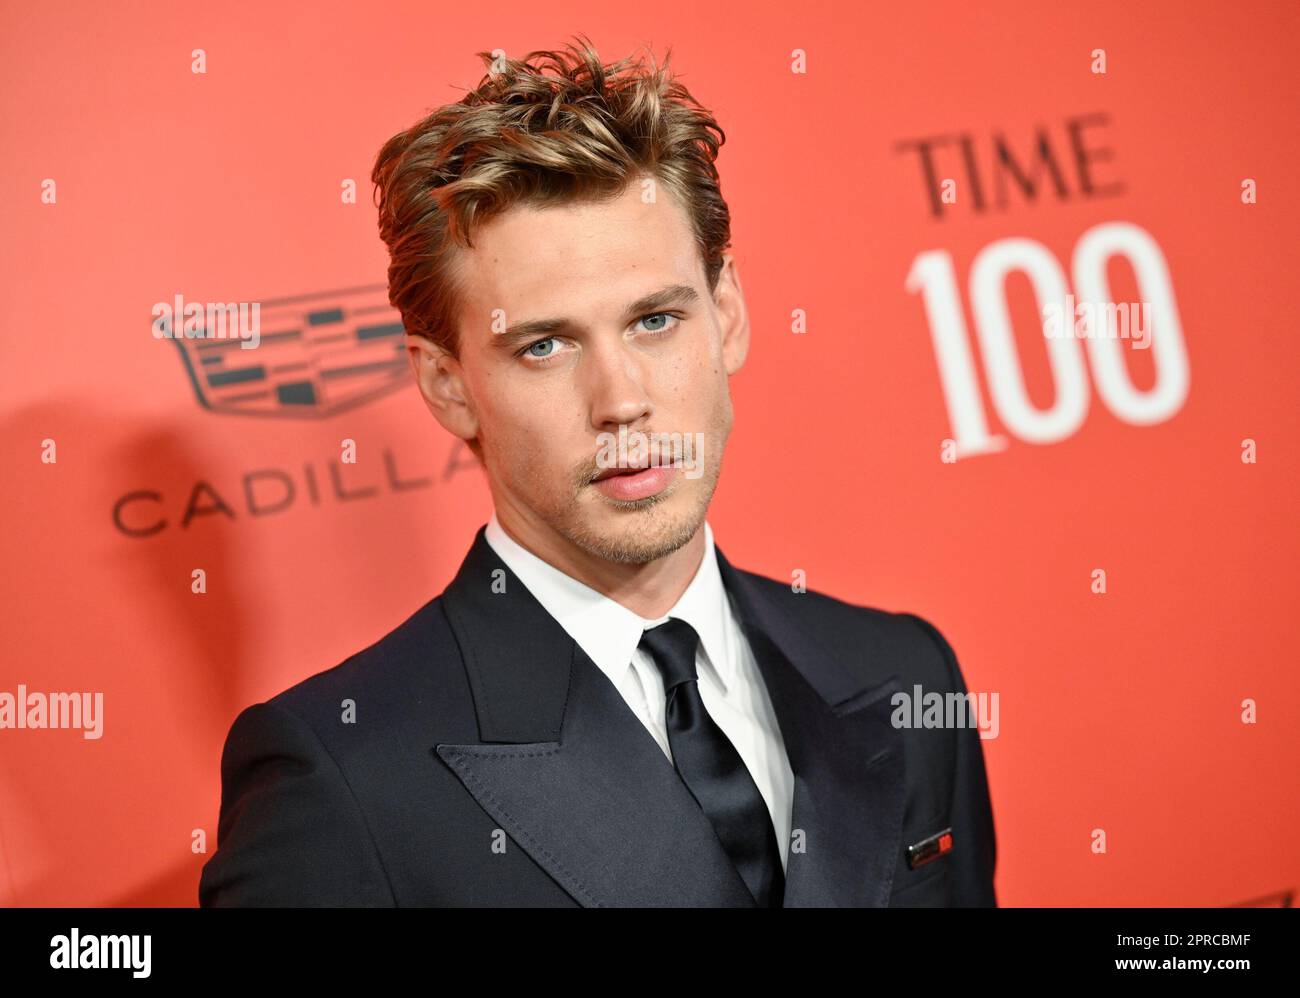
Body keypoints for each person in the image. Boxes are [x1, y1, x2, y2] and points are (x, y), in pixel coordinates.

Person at [198, 36, 997, 908]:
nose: (621, 402)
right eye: (545, 345)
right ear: (447, 385)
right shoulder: (341, 781)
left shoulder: (903, 673)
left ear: (727, 313)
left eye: (655, 321)